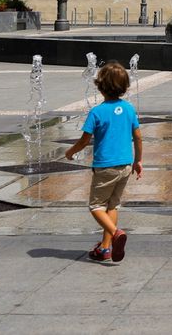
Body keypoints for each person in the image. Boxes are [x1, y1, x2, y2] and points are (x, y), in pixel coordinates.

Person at [64, 61, 143, 262]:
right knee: (112, 206)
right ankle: (105, 248)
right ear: (125, 87)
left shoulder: (97, 112)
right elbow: (138, 137)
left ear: (99, 86)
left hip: (105, 167)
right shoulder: (129, 109)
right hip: (125, 165)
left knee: (96, 206)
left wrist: (71, 152)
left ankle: (116, 233)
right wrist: (138, 161)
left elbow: (84, 140)